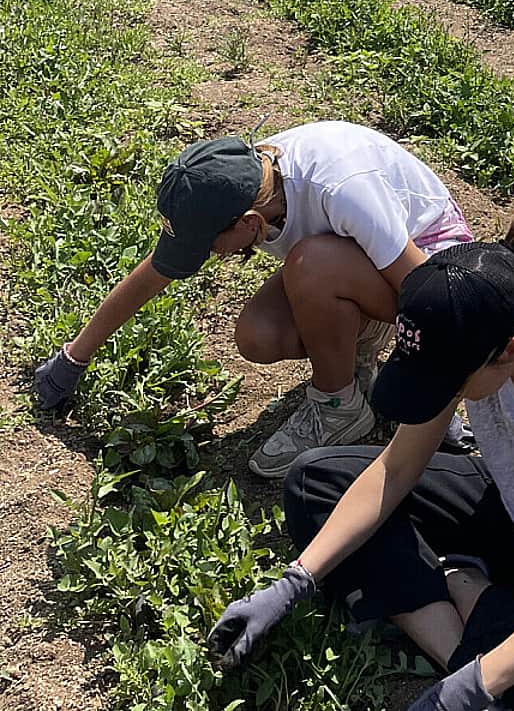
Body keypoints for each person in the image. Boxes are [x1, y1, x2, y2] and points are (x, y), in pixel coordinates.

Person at [206, 217, 514, 711]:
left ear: (511, 352)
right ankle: (473, 640)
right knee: (315, 484)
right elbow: (396, 470)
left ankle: (467, 601)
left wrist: (474, 686)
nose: (444, 396)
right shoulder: (468, 329)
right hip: (513, 508)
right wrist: (293, 583)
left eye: (450, 383)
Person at [31, 120, 473, 478]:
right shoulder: (243, 180)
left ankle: (338, 407)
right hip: (356, 264)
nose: (206, 256)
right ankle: (356, 366)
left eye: (208, 246)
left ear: (247, 224)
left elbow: (433, 291)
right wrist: (74, 358)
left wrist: (430, 392)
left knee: (310, 266)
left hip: (432, 260)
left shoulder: (339, 189)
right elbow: (153, 274)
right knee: (260, 334)